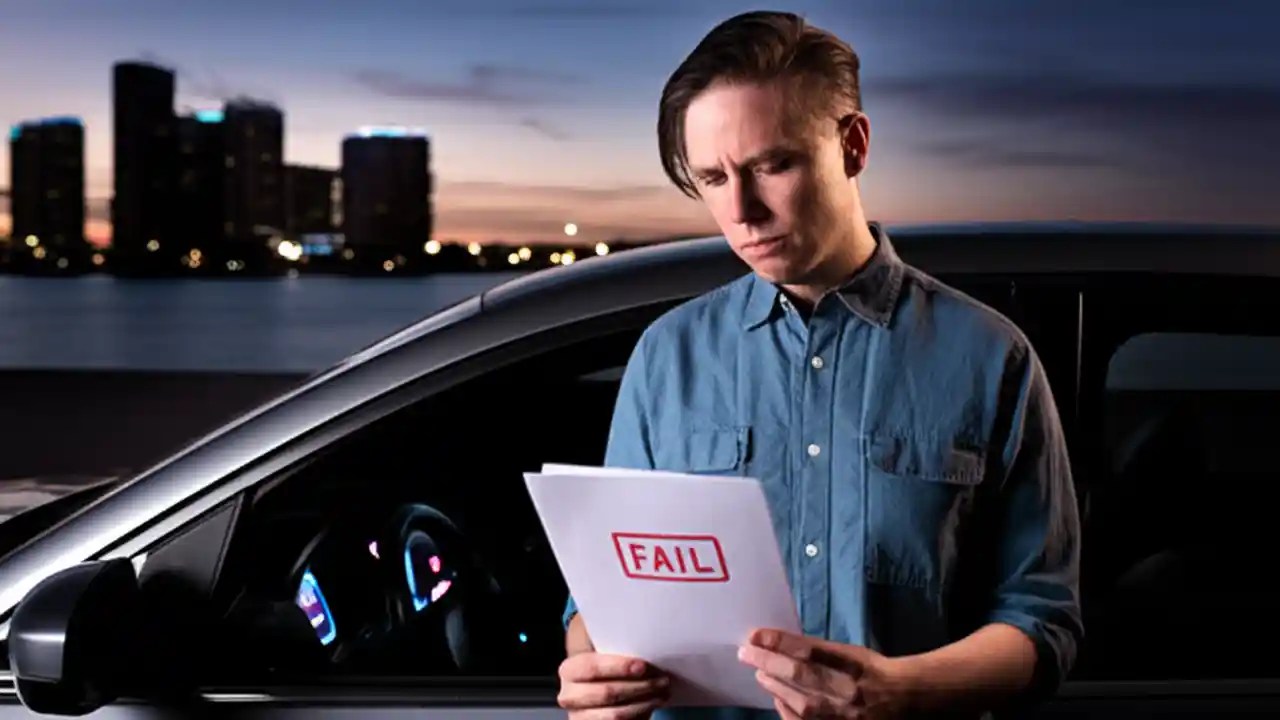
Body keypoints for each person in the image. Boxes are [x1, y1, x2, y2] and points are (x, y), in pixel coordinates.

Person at [556, 10, 1082, 720]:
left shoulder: (991, 357)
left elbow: (1042, 618)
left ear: (853, 145)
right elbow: (602, 602)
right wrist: (589, 665)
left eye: (773, 165)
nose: (740, 210)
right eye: (712, 177)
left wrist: (900, 691)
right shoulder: (666, 358)